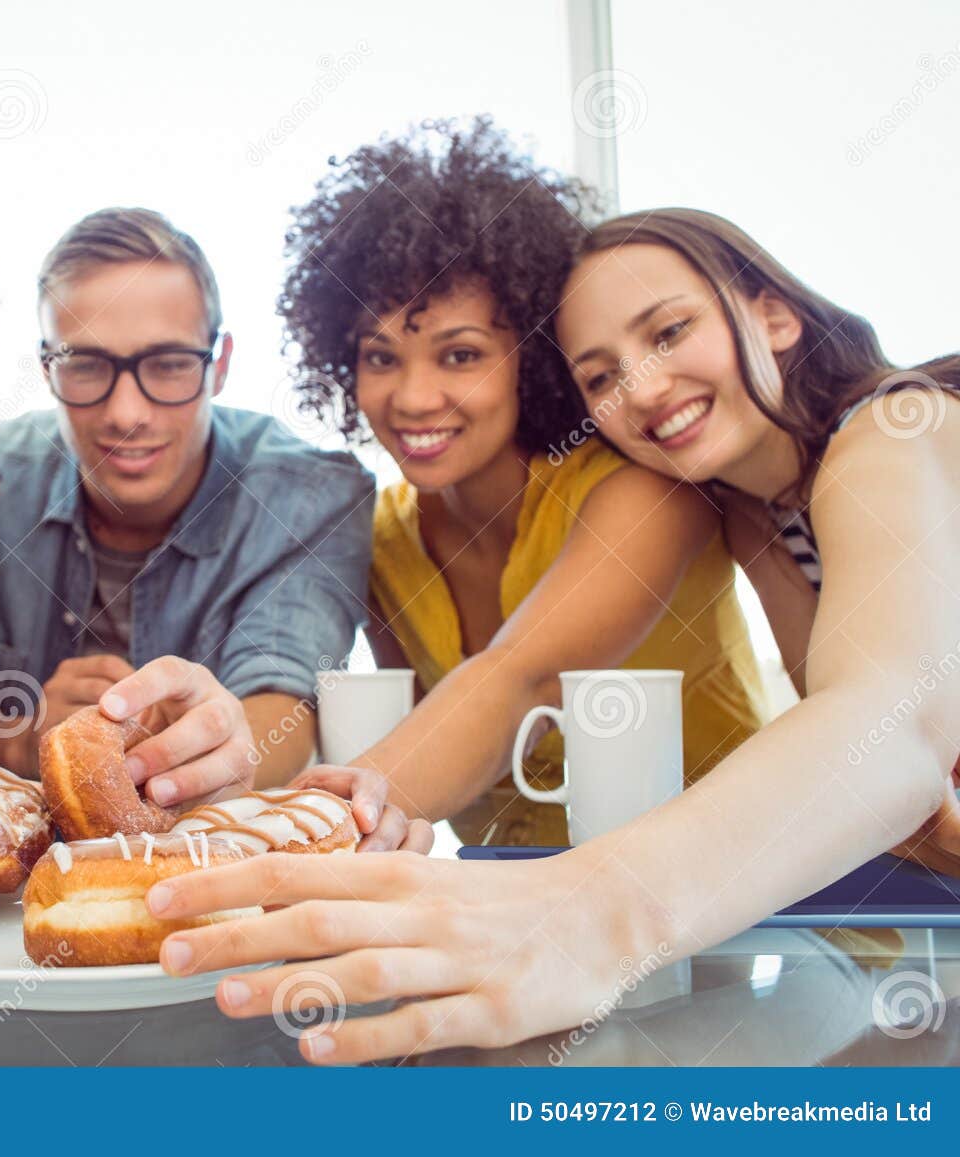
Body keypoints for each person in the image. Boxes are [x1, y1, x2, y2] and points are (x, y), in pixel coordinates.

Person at [145, 205, 960, 1064]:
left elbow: (887, 721)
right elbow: (896, 763)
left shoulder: (892, 429)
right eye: (601, 376)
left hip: (786, 949)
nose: (642, 389)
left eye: (670, 331)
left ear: (774, 313)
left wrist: (589, 912)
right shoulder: (759, 515)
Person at [273, 119, 767, 845]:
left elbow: (521, 680)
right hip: (511, 916)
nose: (412, 398)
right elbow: (433, 758)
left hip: (746, 916)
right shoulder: (382, 544)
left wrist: (312, 825)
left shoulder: (645, 494)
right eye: (380, 358)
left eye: (461, 354)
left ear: (534, 357)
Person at [0, 208, 375, 806]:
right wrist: (20, 738)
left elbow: (285, 703)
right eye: (87, 365)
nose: (126, 414)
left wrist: (187, 753)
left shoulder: (308, 493)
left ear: (219, 365)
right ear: (48, 369)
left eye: (170, 365)